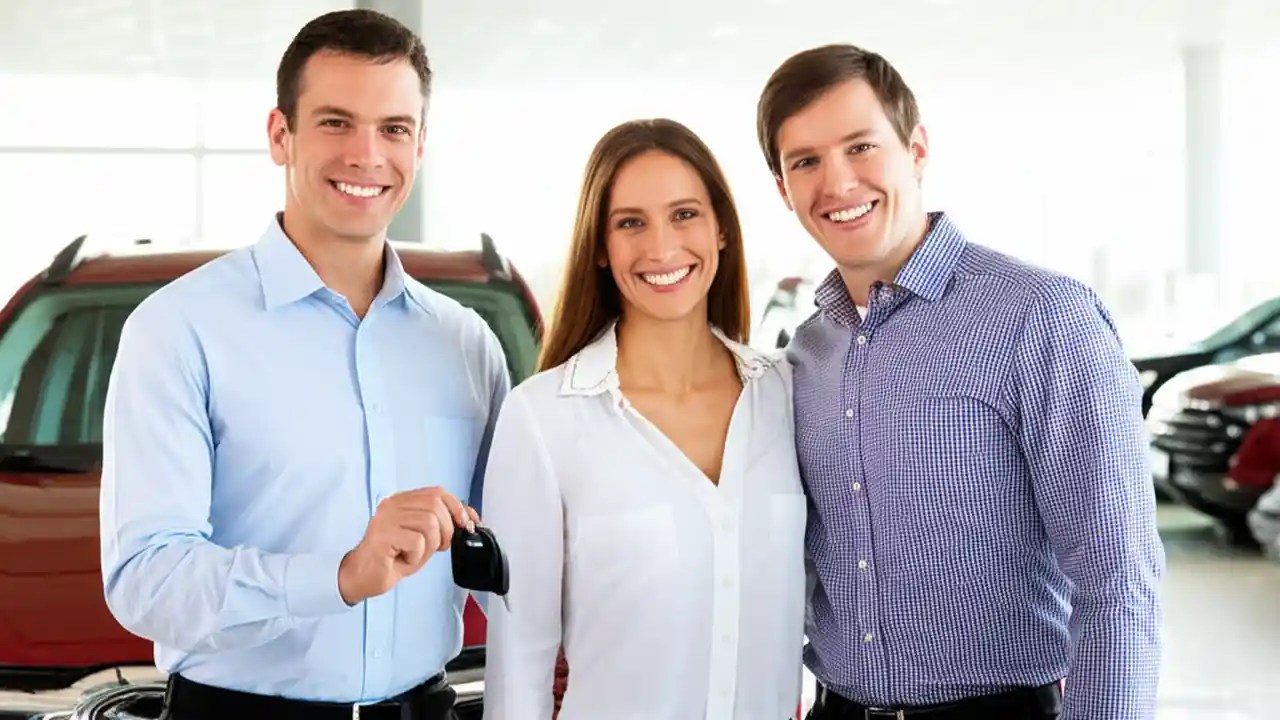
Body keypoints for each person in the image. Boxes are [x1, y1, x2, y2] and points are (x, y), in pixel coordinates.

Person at [99, 9, 509, 720]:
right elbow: (147, 579)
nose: (366, 155)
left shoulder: (466, 342)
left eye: (394, 129)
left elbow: (507, 560)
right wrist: (340, 576)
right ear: (279, 135)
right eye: (335, 122)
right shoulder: (178, 330)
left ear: (420, 145)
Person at [755, 44, 1165, 720]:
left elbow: (1118, 581)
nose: (837, 183)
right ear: (783, 190)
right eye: (806, 162)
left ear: (916, 150)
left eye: (861, 147)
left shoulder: (1041, 317)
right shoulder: (806, 355)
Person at [479, 119, 807, 719]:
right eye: (631, 222)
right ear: (600, 247)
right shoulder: (543, 420)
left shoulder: (789, 396)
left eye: (684, 214)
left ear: (722, 230)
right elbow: (520, 662)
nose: (660, 248)